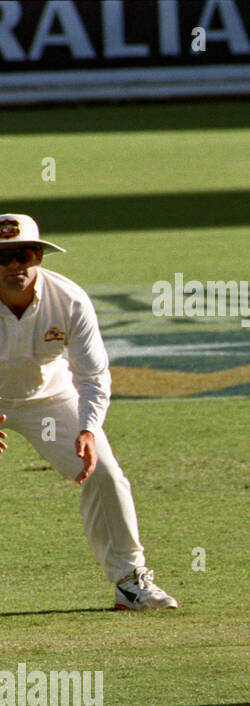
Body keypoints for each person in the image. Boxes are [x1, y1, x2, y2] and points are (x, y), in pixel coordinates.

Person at [0, 213, 177, 610]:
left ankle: (131, 582)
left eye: (23, 254)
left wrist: (87, 429)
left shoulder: (70, 300)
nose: (15, 266)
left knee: (105, 473)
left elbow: (94, 375)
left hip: (49, 397)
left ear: (39, 258)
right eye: (3, 257)